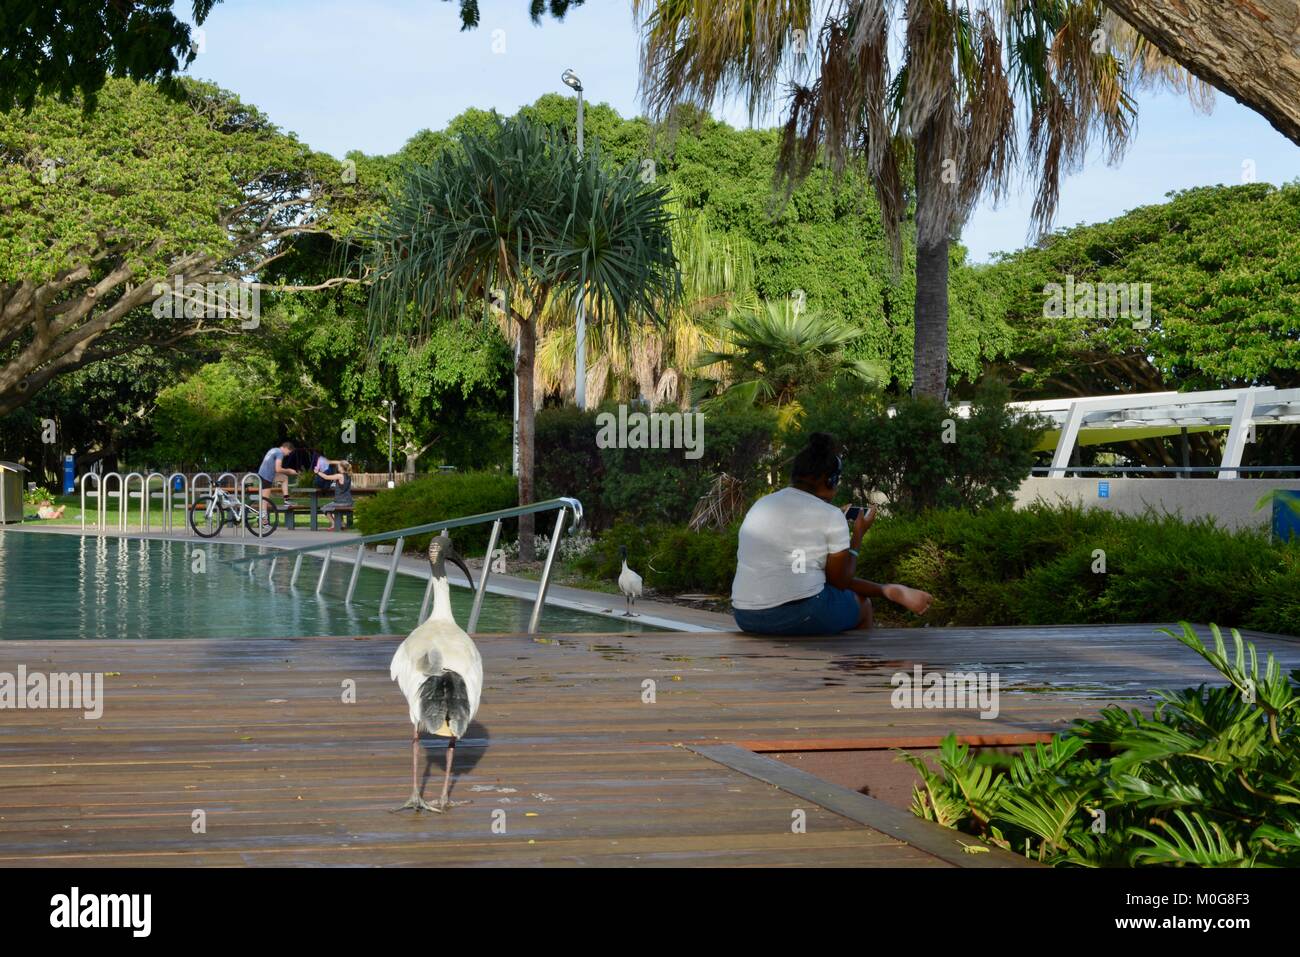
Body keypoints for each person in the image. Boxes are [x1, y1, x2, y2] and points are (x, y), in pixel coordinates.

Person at [730, 432, 933, 636]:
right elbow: (840, 582)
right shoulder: (831, 516)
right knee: (862, 604)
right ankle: (854, 665)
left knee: (820, 589)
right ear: (830, 480)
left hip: (745, 616)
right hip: (800, 615)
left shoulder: (762, 504)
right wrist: (858, 535)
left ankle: (888, 594)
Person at [257, 440, 297, 525]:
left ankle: (286, 499)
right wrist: (289, 471)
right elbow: (278, 469)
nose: (288, 454)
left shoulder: (274, 449)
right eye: (289, 452)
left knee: (284, 478)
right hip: (266, 477)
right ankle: (264, 522)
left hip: (263, 474)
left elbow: (273, 468)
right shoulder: (280, 453)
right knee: (265, 501)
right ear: (286, 448)